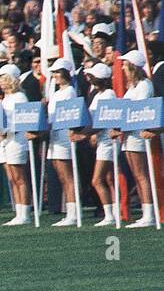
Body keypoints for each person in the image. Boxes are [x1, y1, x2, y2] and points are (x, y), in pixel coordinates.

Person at [120, 51, 158, 228]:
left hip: (138, 134)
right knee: (136, 174)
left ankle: (149, 214)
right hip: (129, 135)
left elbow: (140, 109)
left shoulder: (144, 85)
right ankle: (145, 213)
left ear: (133, 67)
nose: (122, 67)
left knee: (142, 174)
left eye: (125, 64)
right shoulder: (132, 87)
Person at [0, 65, 32, 226]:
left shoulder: (20, 98)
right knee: (11, 178)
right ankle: (18, 212)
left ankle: (25, 213)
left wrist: (2, 135)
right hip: (6, 141)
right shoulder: (5, 98)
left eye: (1, 78)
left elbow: (19, 122)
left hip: (17, 140)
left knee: (19, 177)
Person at [44, 60, 81, 227]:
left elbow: (69, 115)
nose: (55, 76)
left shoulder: (70, 92)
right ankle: (69, 211)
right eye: (54, 73)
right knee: (61, 175)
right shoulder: (56, 93)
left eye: (58, 72)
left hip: (64, 135)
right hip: (54, 135)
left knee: (68, 176)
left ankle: (73, 213)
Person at [83, 64, 119, 227]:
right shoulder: (99, 94)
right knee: (108, 178)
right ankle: (116, 211)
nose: (89, 78)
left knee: (97, 180)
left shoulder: (108, 95)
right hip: (102, 140)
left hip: (108, 141)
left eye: (92, 75)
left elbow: (102, 121)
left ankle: (110, 214)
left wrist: (83, 134)